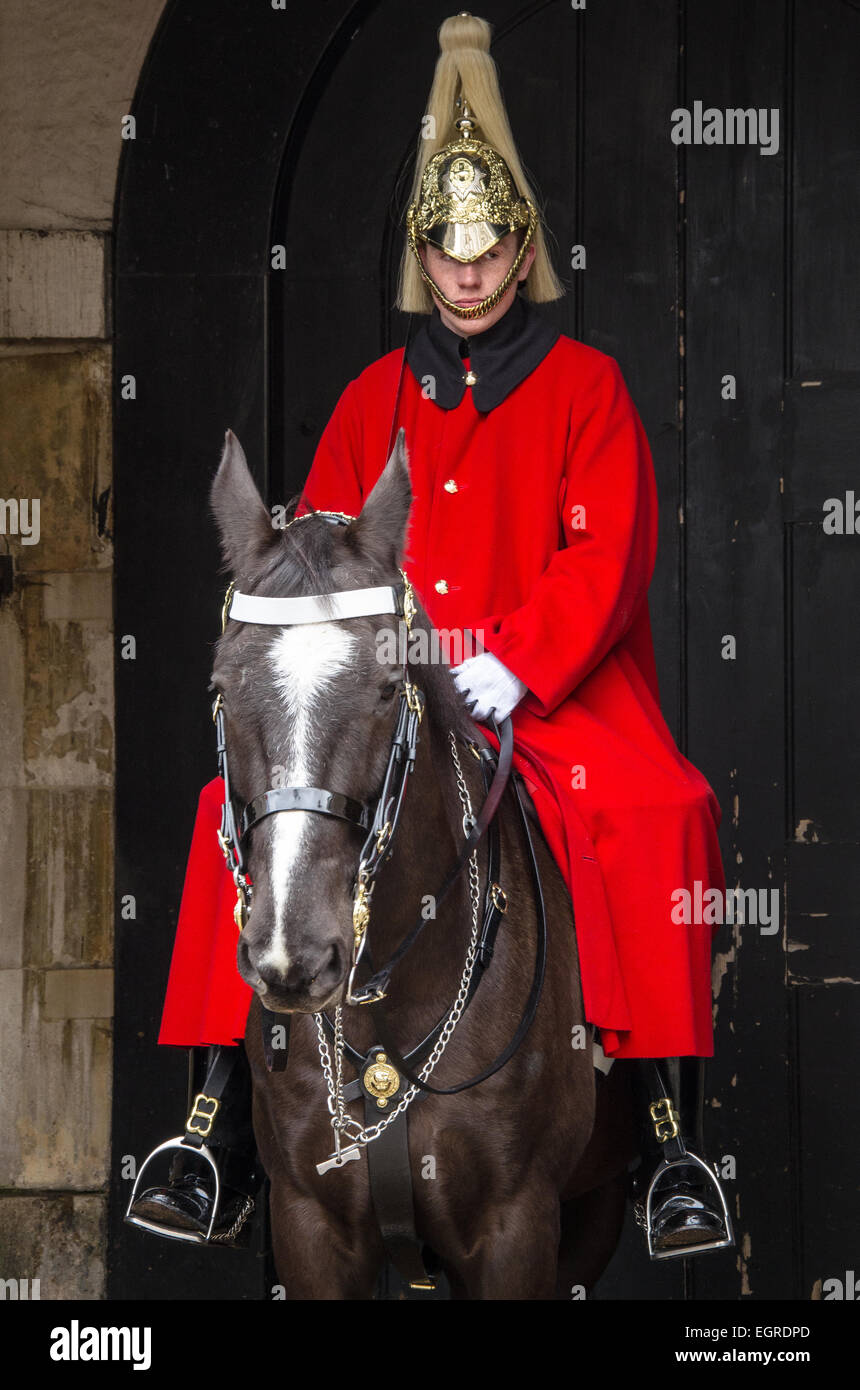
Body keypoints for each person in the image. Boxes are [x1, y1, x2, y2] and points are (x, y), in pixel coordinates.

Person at [128, 12, 733, 1262]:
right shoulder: (370, 400)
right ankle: (213, 1123)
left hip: (547, 691)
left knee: (656, 807)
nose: (467, 274)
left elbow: (607, 554)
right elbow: (322, 561)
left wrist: (513, 657)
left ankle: (670, 1130)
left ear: (521, 253)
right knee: (219, 814)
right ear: (423, 255)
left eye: (488, 249)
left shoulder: (586, 391)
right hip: (392, 695)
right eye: (446, 253)